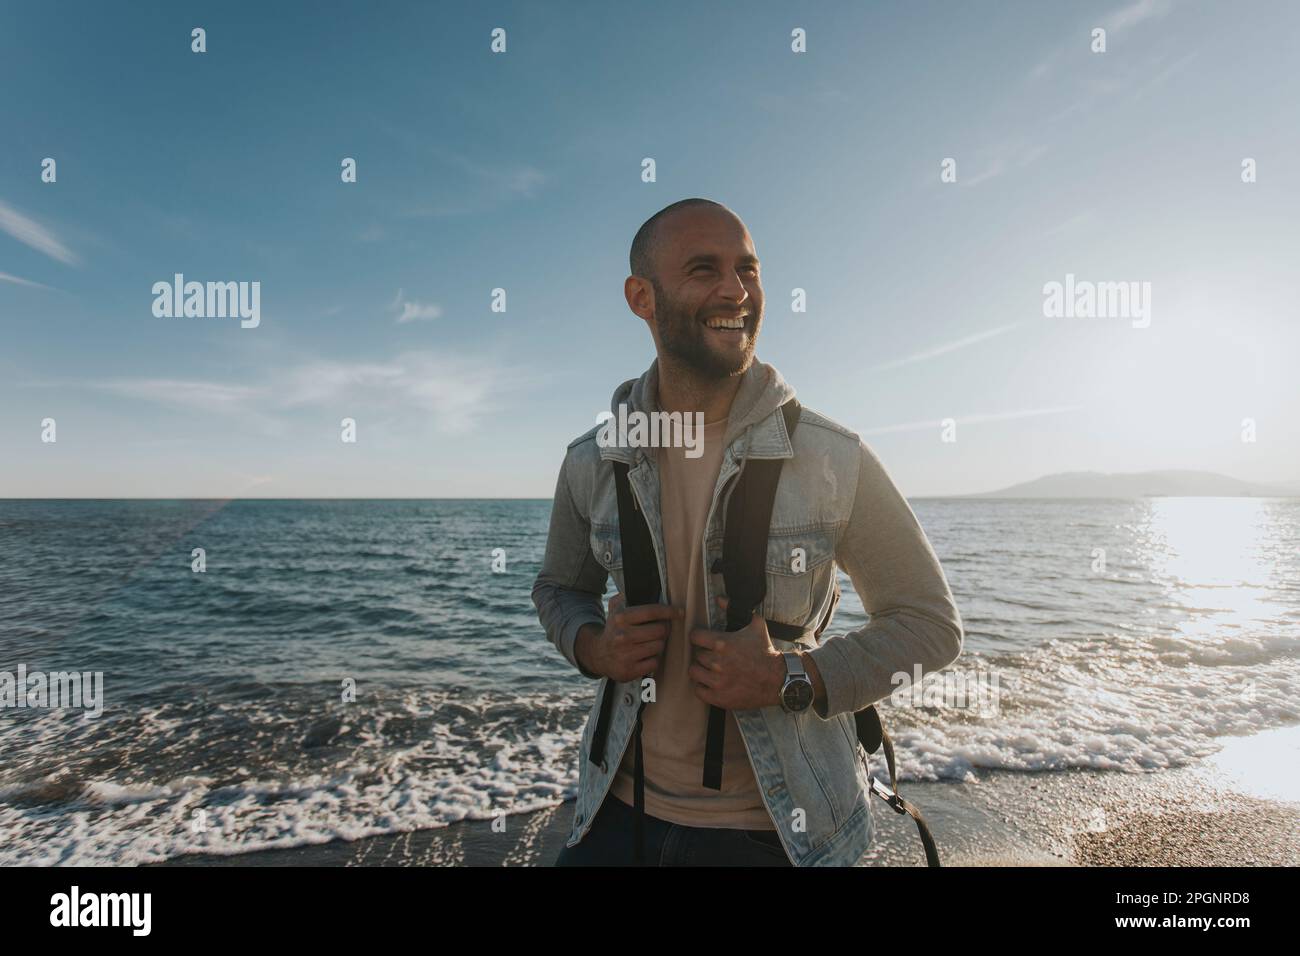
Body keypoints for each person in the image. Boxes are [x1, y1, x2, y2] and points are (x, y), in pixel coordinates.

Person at [532, 198, 963, 866]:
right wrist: (593, 647)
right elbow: (560, 588)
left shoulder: (833, 456)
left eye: (748, 270)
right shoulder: (593, 460)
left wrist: (792, 677)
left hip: (780, 833)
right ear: (641, 297)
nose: (736, 290)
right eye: (704, 269)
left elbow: (929, 625)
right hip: (617, 813)